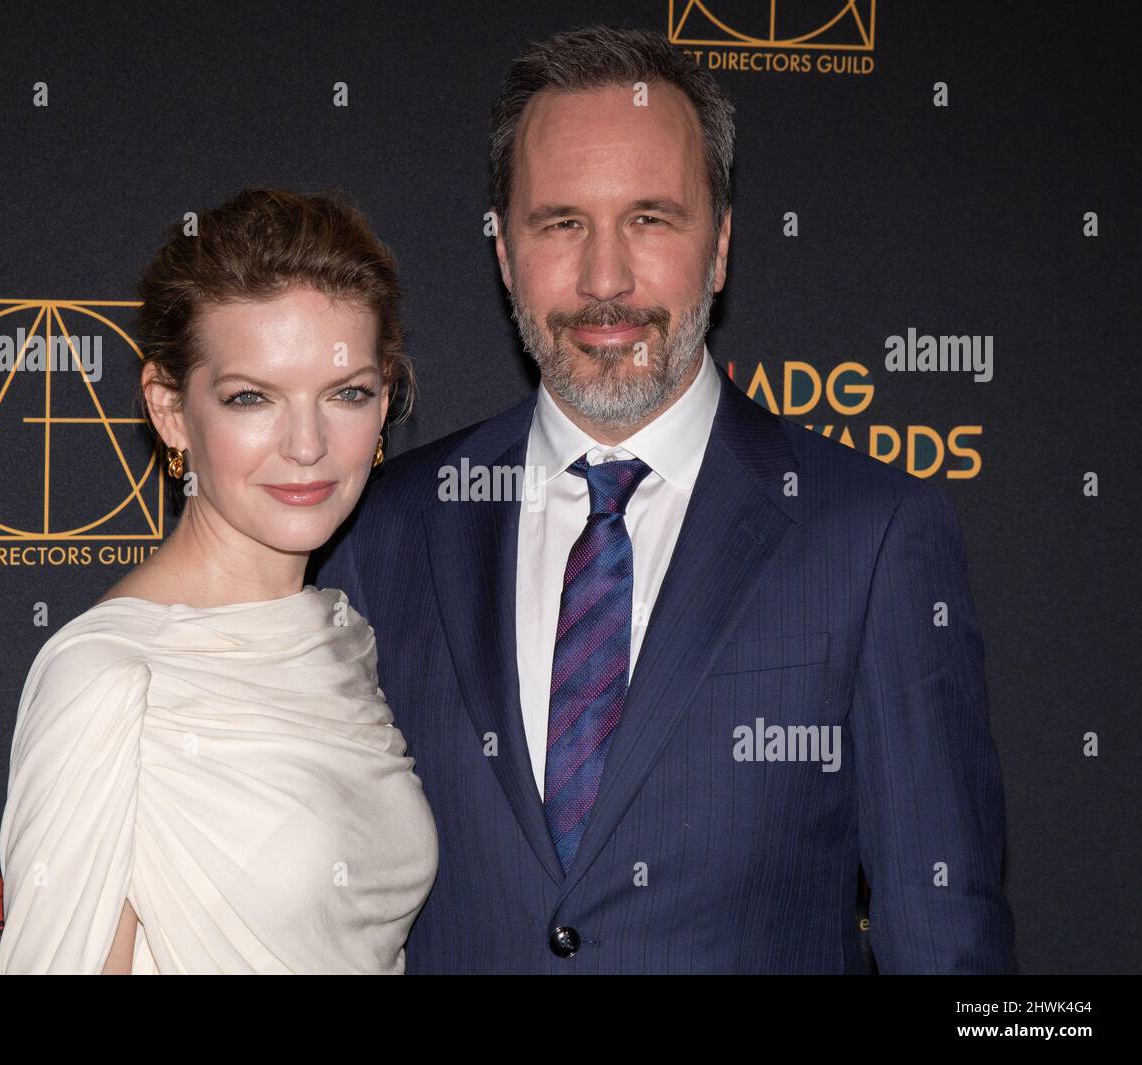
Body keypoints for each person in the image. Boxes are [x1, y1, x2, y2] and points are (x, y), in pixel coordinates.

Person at [313, 25, 1016, 973]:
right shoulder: (384, 527)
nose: (606, 281)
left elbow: (947, 943)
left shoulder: (872, 535)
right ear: (506, 253)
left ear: (719, 247)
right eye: (561, 223)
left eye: (651, 218)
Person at [0, 187, 437, 974]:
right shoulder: (108, 681)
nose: (307, 445)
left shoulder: (337, 637)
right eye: (251, 398)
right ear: (170, 409)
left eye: (347, 393)